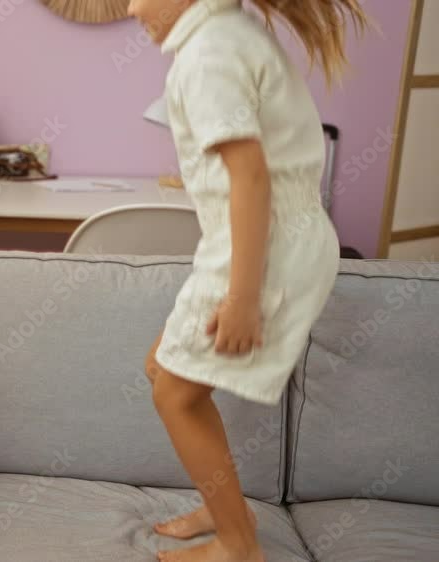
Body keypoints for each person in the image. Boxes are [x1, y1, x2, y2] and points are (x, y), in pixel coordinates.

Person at [127, 0, 369, 560]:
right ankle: (219, 508)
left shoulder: (210, 51)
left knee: (175, 394)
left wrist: (242, 297)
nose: (133, 7)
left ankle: (238, 545)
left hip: (268, 251)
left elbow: (251, 175)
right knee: (162, 369)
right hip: (261, 242)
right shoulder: (225, 35)